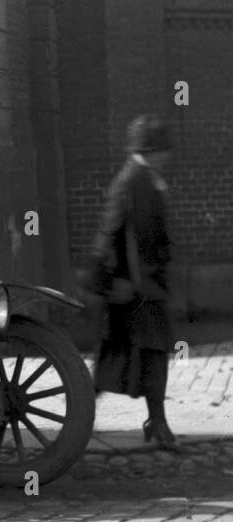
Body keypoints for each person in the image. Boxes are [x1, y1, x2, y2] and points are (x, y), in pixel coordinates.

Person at [89, 114, 181, 451]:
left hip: (146, 287)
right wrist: (107, 281)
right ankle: (81, 419)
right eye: (163, 150)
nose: (167, 156)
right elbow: (110, 232)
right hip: (133, 289)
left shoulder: (147, 178)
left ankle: (157, 422)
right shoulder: (130, 181)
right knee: (117, 357)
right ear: (151, 149)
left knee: (149, 355)